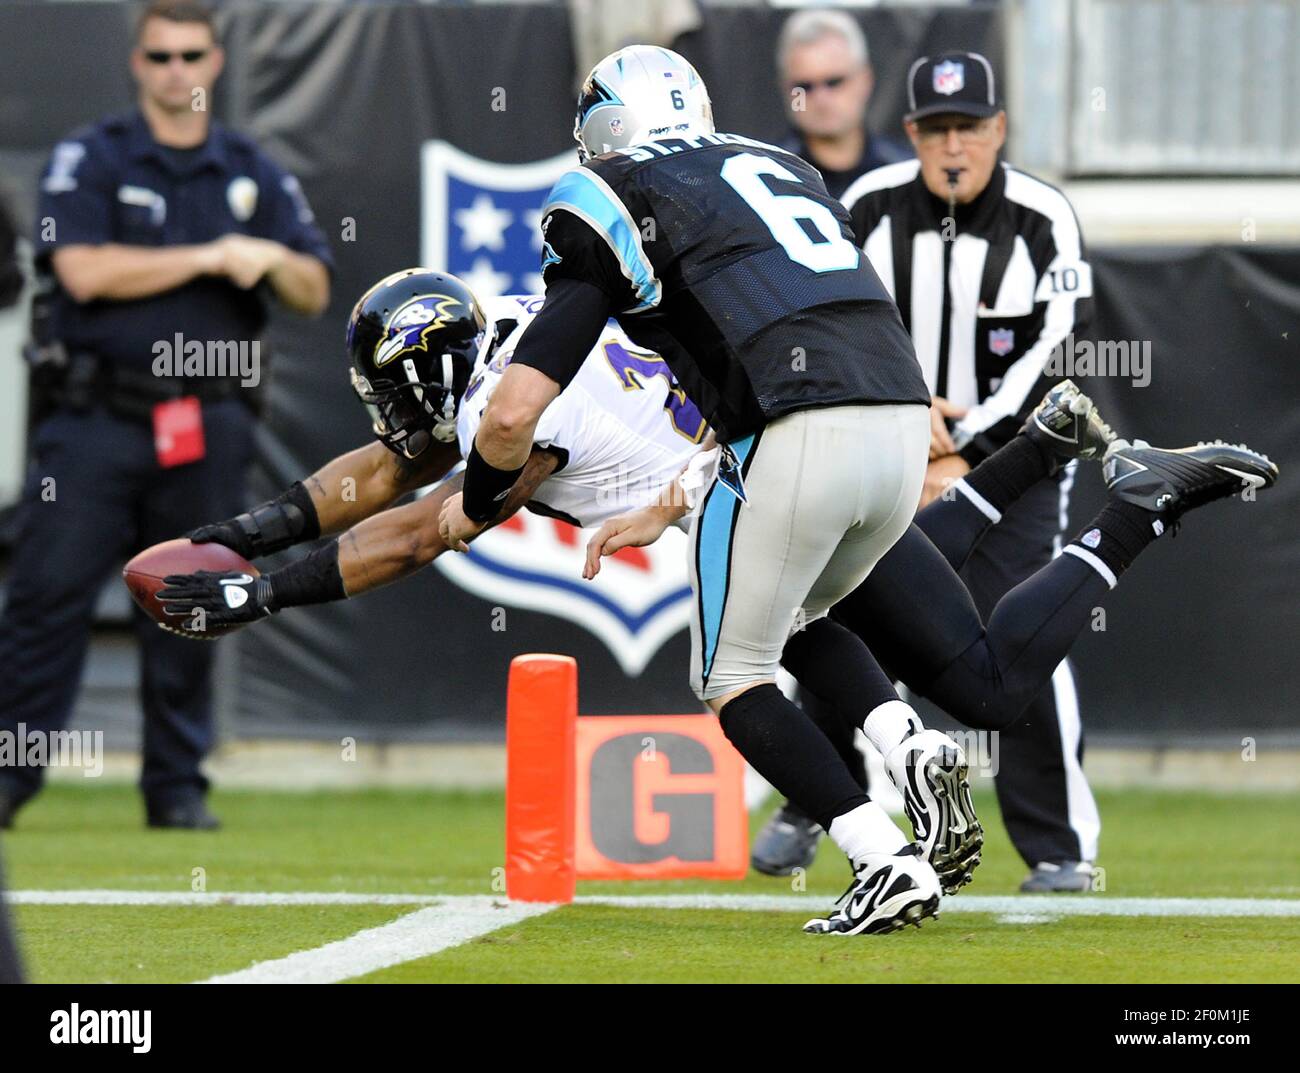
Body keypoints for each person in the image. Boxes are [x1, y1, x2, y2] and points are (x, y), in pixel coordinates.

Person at [158, 275, 1276, 928]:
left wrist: (258, 593)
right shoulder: (513, 338)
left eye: (392, 385)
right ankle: (1072, 500)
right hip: (814, 454)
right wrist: (245, 532)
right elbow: (389, 469)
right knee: (893, 649)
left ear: (432, 364)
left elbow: (419, 526)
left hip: (754, 487)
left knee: (753, 667)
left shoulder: (513, 413)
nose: (389, 411)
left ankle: (880, 841)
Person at [754, 50, 1107, 891]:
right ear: (910, 134)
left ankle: (1059, 848)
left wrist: (970, 447)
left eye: (971, 127)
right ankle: (814, 803)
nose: (955, 146)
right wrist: (910, 431)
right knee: (844, 616)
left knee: (1022, 626)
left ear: (999, 130)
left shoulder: (1041, 215)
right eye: (938, 128)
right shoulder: (868, 207)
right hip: (890, 453)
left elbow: (1061, 350)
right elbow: (826, 323)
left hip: (1017, 463)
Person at [0, 0, 332, 831]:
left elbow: (314, 289)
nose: (176, 72)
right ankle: (11, 775)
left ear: (215, 62)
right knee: (46, 599)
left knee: (192, 601)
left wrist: (273, 259)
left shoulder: (250, 166)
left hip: (208, 422)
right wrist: (213, 256)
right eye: (160, 58)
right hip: (94, 416)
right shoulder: (95, 156)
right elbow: (81, 272)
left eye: (190, 55)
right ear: (137, 63)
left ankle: (176, 788)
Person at [776, 10, 910, 200]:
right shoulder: (769, 174)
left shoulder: (904, 172)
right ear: (786, 89)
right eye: (804, 86)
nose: (821, 99)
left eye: (834, 82)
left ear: (865, 80)